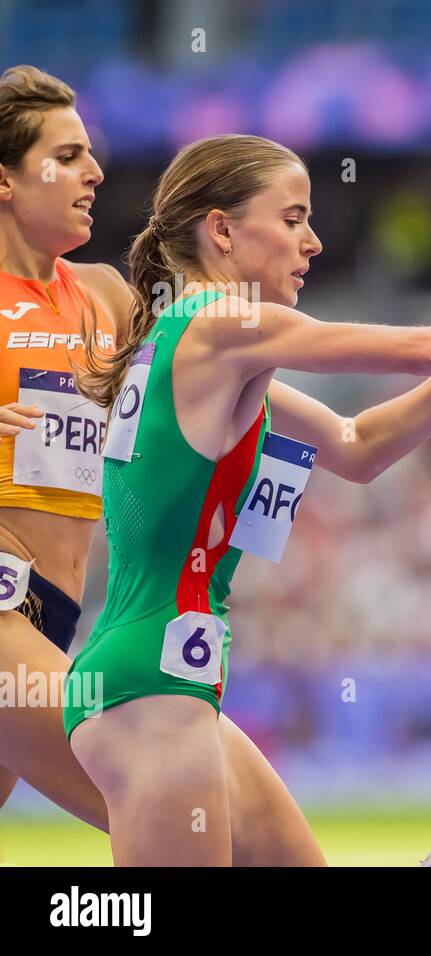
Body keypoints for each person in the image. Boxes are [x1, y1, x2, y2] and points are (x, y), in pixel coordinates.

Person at [64, 131, 431, 866]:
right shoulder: (221, 323)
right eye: (291, 219)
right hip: (149, 687)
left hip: (167, 677)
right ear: (220, 230)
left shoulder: (200, 347)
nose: (312, 242)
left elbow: (358, 446)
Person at [0, 64, 131, 829]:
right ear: (7, 182)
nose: (96, 172)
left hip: (57, 612)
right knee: (156, 800)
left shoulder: (107, 296)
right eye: (70, 154)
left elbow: (222, 366)